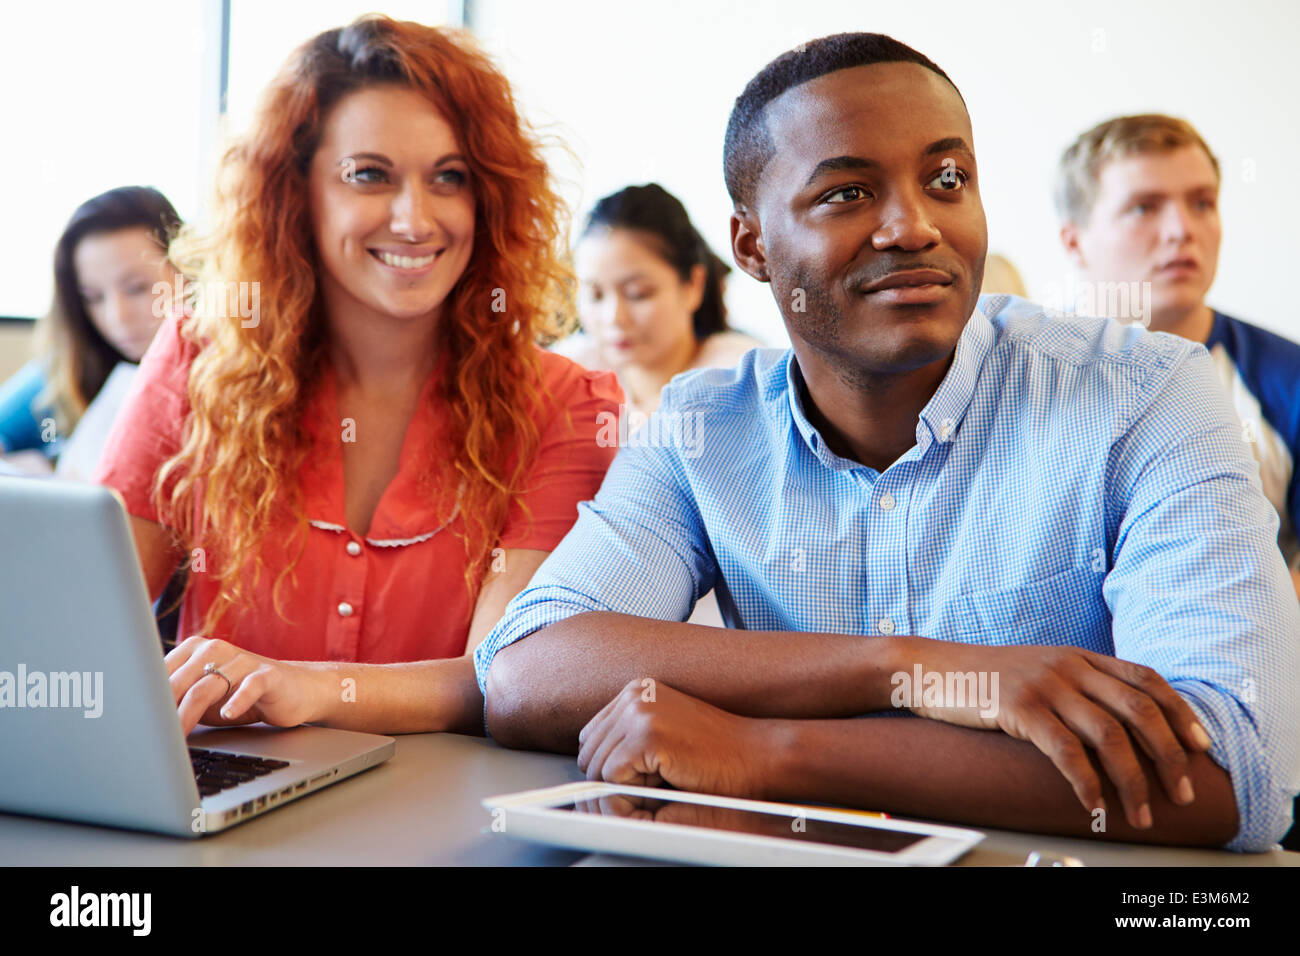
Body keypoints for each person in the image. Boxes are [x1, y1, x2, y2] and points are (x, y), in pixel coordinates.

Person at [474, 33, 1299, 853]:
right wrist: (908, 667)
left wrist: (769, 752)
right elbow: (524, 671)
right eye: (848, 194)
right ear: (752, 246)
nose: (913, 227)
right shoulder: (704, 429)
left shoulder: (1146, 392)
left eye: (948, 180)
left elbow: (1233, 772)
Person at [93, 15, 620, 737]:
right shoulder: (196, 360)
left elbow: (505, 677)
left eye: (450, 178)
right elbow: (89, 623)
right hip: (220, 802)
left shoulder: (564, 405)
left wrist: (311, 688)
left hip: (443, 819)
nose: (414, 218)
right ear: (293, 192)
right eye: (369, 175)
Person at [1057, 114, 1300, 603]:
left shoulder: (1287, 378)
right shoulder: (1013, 377)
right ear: (1075, 241)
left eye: (1202, 203)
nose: (1181, 230)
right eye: (1144, 207)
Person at [0, 186, 182, 479]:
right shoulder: (64, 375)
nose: (117, 317)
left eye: (137, 288)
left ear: (186, 273)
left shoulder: (226, 379)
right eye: (93, 297)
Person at [560, 183, 762, 418]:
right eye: (595, 295)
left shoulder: (741, 378)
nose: (614, 317)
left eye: (638, 293)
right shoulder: (568, 373)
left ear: (693, 285)